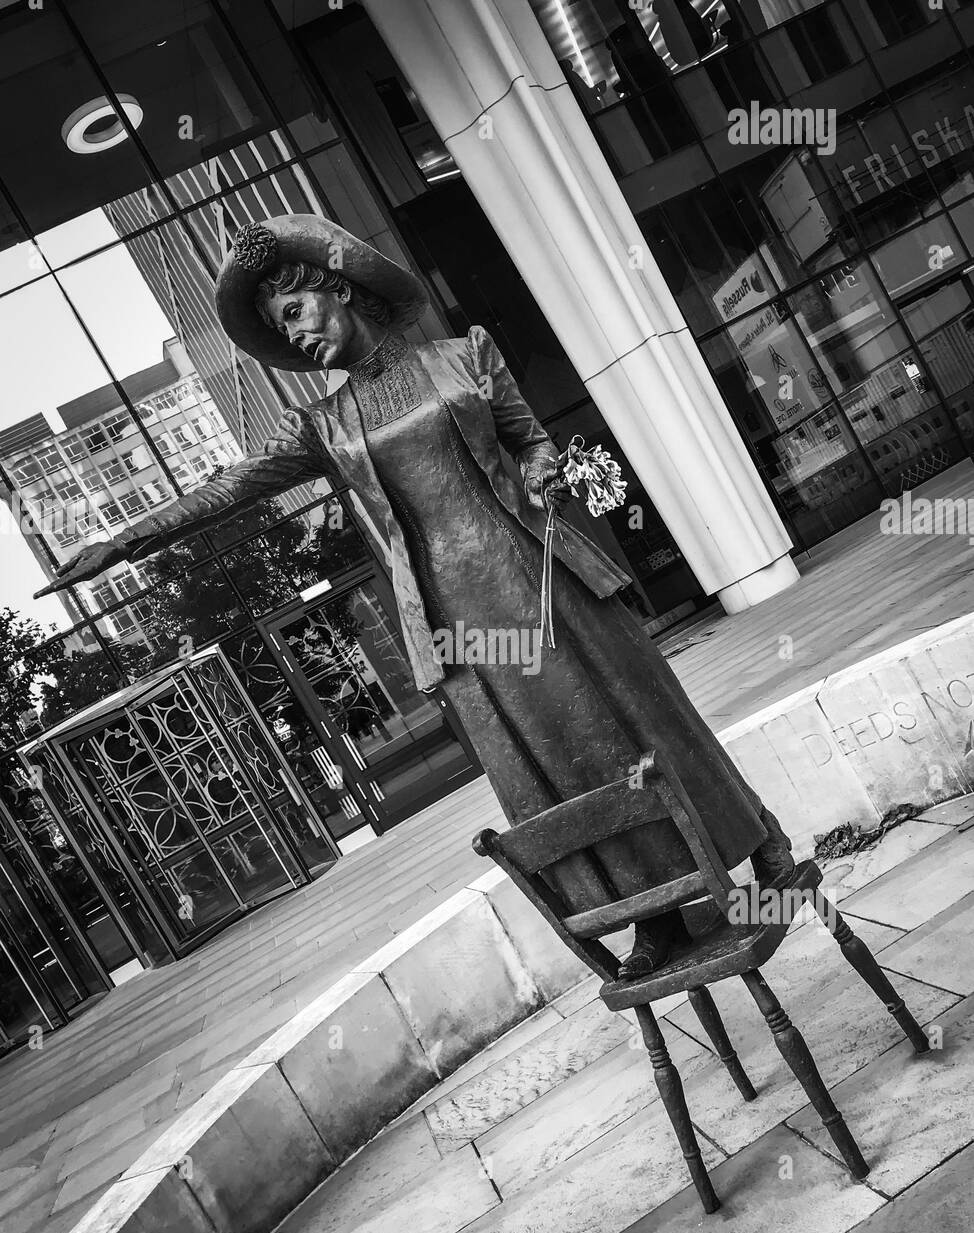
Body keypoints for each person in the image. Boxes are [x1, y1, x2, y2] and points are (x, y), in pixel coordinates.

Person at [37, 214, 795, 978]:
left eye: (295, 311)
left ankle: (767, 849)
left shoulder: (467, 356)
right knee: (546, 771)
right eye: (279, 327)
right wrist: (124, 541)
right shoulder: (322, 425)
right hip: (455, 625)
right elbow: (225, 488)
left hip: (539, 579)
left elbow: (528, 437)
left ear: (340, 288)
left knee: (642, 719)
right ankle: (648, 915)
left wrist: (539, 470)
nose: (295, 337)